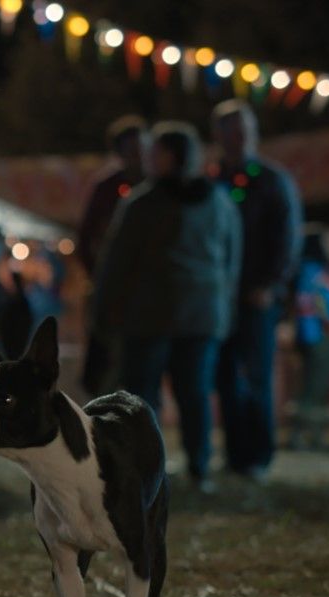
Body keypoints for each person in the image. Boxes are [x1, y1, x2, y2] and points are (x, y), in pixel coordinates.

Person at [95, 122, 241, 492]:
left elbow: (117, 259)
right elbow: (231, 257)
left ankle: (144, 469)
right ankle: (199, 467)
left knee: (143, 396)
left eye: (155, 152)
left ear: (170, 156)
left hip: (150, 313)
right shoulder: (219, 201)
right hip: (203, 313)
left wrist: (106, 306)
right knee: (194, 393)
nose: (148, 158)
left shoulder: (144, 201)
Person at [212, 99, 303, 482]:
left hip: (257, 298)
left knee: (256, 377)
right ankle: (235, 456)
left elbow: (287, 238)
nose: (237, 139)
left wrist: (270, 285)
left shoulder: (272, 180)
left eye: (242, 131)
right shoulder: (212, 181)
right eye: (229, 131)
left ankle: (259, 457)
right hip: (220, 300)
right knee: (225, 378)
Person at [77, 115, 151, 396]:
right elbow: (86, 238)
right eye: (130, 149)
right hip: (113, 291)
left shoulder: (159, 187)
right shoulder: (107, 189)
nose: (138, 155)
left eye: (142, 147)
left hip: (149, 294)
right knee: (107, 362)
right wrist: (99, 275)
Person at [285, 230, 329, 452]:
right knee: (313, 388)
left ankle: (312, 437)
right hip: (319, 336)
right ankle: (303, 437)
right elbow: (309, 302)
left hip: (322, 335)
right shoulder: (311, 271)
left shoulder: (316, 271)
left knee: (318, 388)